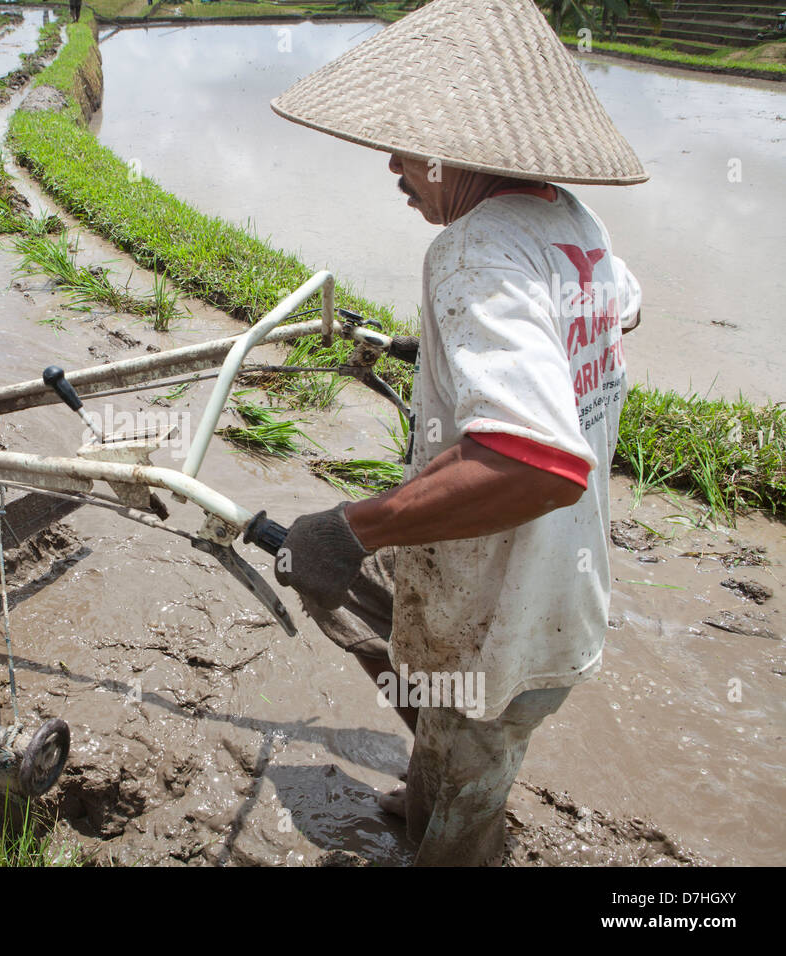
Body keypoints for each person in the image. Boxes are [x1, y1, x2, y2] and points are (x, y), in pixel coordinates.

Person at [268, 0, 645, 865]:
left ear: (461, 144)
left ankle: (455, 842)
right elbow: (626, 303)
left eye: (405, 141)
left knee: (468, 805)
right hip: (553, 587)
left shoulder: (473, 252)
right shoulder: (571, 221)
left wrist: (352, 528)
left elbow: (537, 463)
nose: (392, 164)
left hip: (501, 614)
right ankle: (421, 801)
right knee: (450, 736)